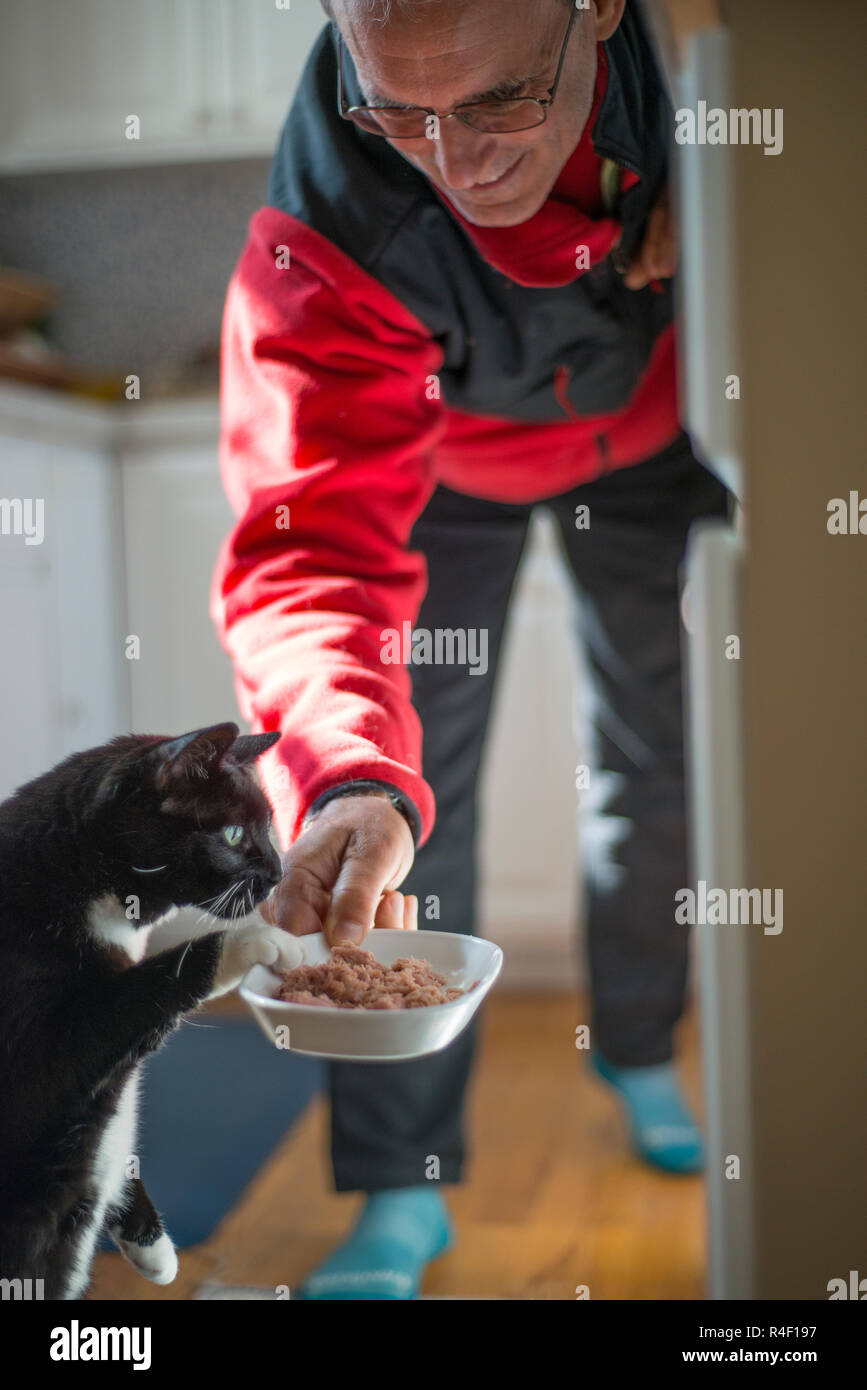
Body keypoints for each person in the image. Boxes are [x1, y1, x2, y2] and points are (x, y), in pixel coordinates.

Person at [211, 0, 731, 1300]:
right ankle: (402, 1187)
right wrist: (345, 772)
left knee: (657, 751)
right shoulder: (327, 226)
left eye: (499, 102)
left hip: (653, 440)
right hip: (439, 463)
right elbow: (310, 540)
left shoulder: (711, 74)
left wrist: (723, 202)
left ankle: (637, 1042)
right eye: (399, 112)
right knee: (396, 814)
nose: (455, 158)